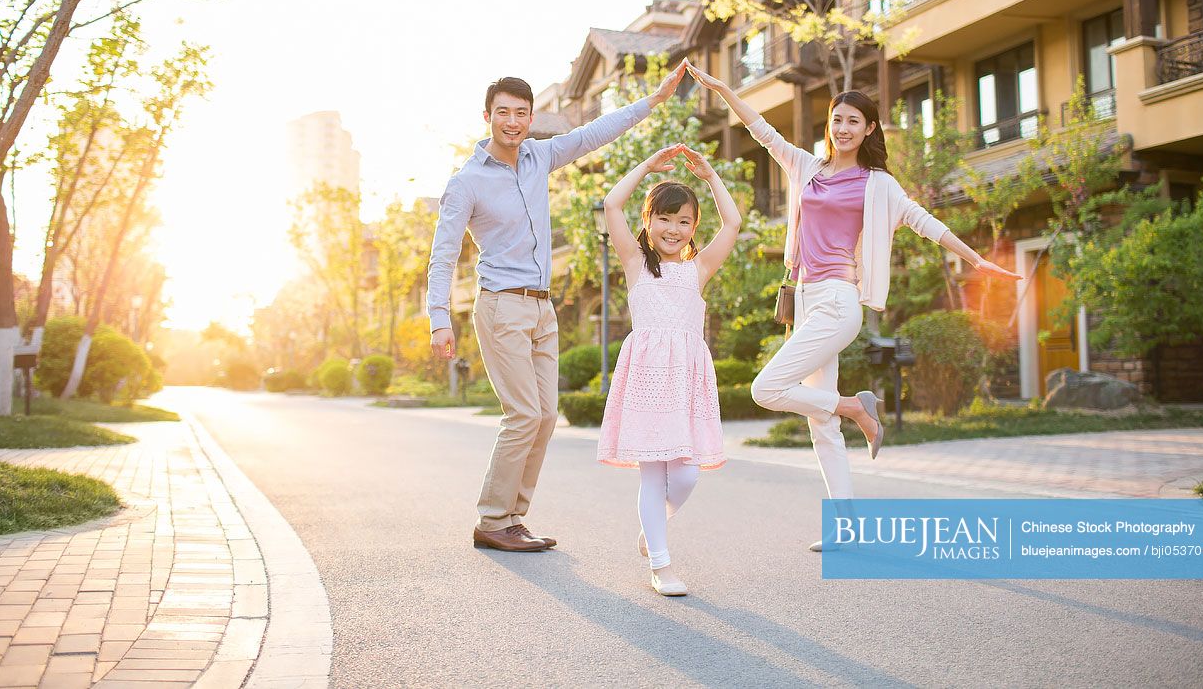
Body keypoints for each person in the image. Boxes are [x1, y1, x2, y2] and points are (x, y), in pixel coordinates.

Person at [687, 64, 1019, 551]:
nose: (843, 129)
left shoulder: (878, 184)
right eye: (837, 119)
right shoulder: (806, 168)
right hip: (805, 298)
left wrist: (977, 259)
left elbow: (924, 221)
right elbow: (762, 131)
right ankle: (846, 524)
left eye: (853, 122)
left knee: (766, 389)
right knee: (820, 423)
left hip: (839, 301)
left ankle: (856, 408)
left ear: (869, 129)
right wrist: (722, 89)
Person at [428, 62, 689, 553]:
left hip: (542, 309)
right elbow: (443, 254)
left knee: (546, 415)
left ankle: (512, 518)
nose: (512, 121)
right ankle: (492, 519)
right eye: (503, 112)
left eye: (520, 113)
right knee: (523, 414)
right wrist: (439, 319)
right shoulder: (466, 182)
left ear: (531, 118)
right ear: (487, 116)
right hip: (501, 306)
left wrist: (653, 101)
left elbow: (593, 133)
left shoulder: (539, 157)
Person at [596, 142, 742, 596]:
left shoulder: (699, 268)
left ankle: (652, 526)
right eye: (664, 218)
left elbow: (734, 222)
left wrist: (710, 177)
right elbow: (612, 203)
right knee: (652, 474)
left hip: (685, 384)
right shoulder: (636, 263)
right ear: (648, 220)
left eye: (684, 221)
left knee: (686, 475)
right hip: (645, 380)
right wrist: (647, 166)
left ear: (694, 227)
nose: (673, 229)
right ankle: (661, 564)